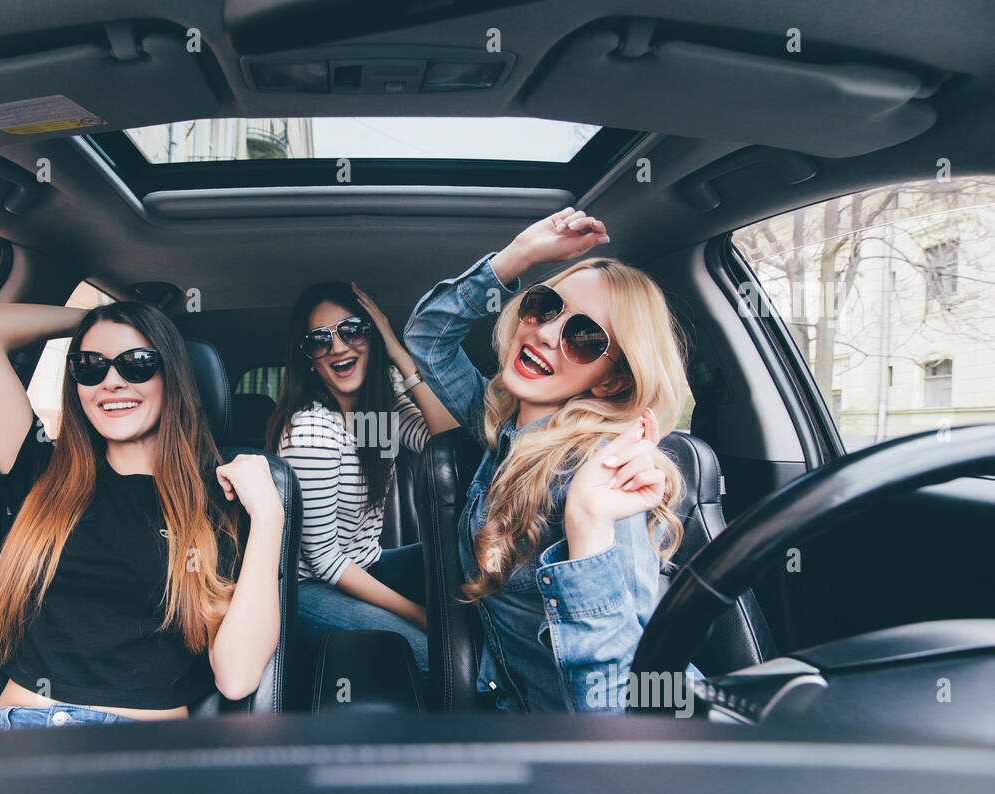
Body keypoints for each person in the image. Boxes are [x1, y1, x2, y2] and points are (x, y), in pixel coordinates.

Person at [404, 207, 705, 713]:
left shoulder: (598, 471)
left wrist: (586, 521)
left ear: (612, 381)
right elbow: (427, 340)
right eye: (545, 307)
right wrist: (518, 256)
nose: (545, 333)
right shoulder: (500, 422)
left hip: (590, 748)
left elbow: (619, 704)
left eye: (584, 337)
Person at [0, 299, 284, 732]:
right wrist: (96, 319)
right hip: (20, 734)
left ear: (173, 375)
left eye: (137, 363)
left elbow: (238, 679)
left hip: (136, 747)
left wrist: (269, 516)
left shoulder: (216, 499)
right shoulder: (43, 473)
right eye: (92, 366)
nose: (111, 381)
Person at [266, 281, 459, 675]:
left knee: (467, 563)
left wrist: (399, 352)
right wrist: (419, 615)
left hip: (365, 564)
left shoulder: (377, 415)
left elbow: (446, 440)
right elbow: (323, 560)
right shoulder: (312, 432)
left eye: (353, 330)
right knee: (430, 656)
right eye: (320, 341)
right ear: (310, 360)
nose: (338, 347)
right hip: (307, 589)